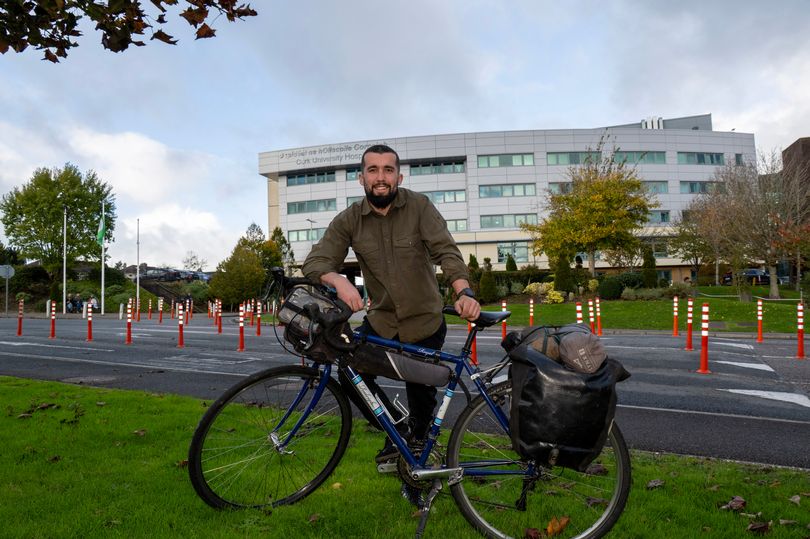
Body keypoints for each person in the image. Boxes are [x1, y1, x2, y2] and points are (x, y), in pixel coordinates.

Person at [302, 144, 480, 504]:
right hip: (381, 322)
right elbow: (317, 260)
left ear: (399, 176)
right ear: (361, 177)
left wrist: (464, 291)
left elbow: (447, 252)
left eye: (387, 170)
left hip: (424, 323)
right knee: (349, 371)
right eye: (372, 170)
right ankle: (395, 428)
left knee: (422, 403)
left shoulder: (419, 207)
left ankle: (416, 474)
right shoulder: (351, 218)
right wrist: (337, 280)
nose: (380, 177)